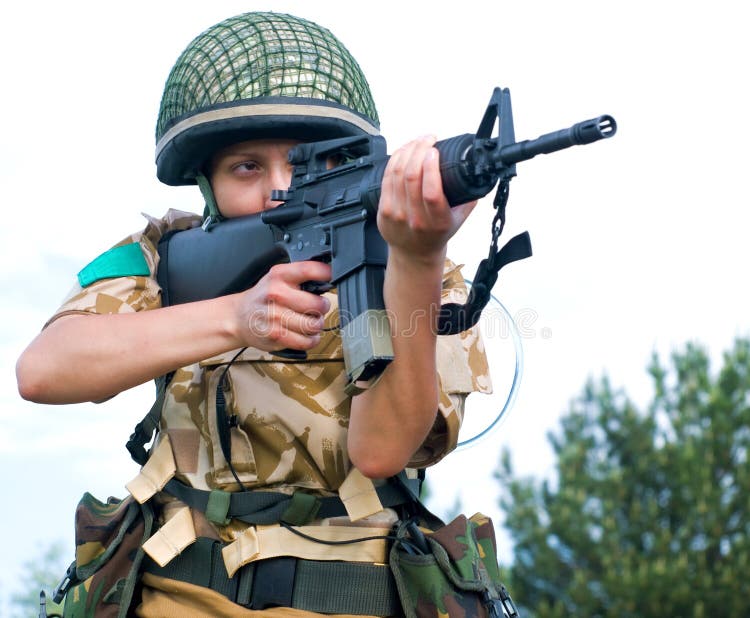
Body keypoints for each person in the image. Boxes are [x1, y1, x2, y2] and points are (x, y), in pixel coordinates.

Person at [17, 11, 494, 617]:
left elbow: (381, 453)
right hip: (179, 591)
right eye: (247, 167)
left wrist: (417, 260)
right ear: (207, 184)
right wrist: (236, 318)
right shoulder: (160, 258)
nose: (277, 187)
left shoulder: (418, 268)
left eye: (303, 163)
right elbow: (44, 371)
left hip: (357, 595)